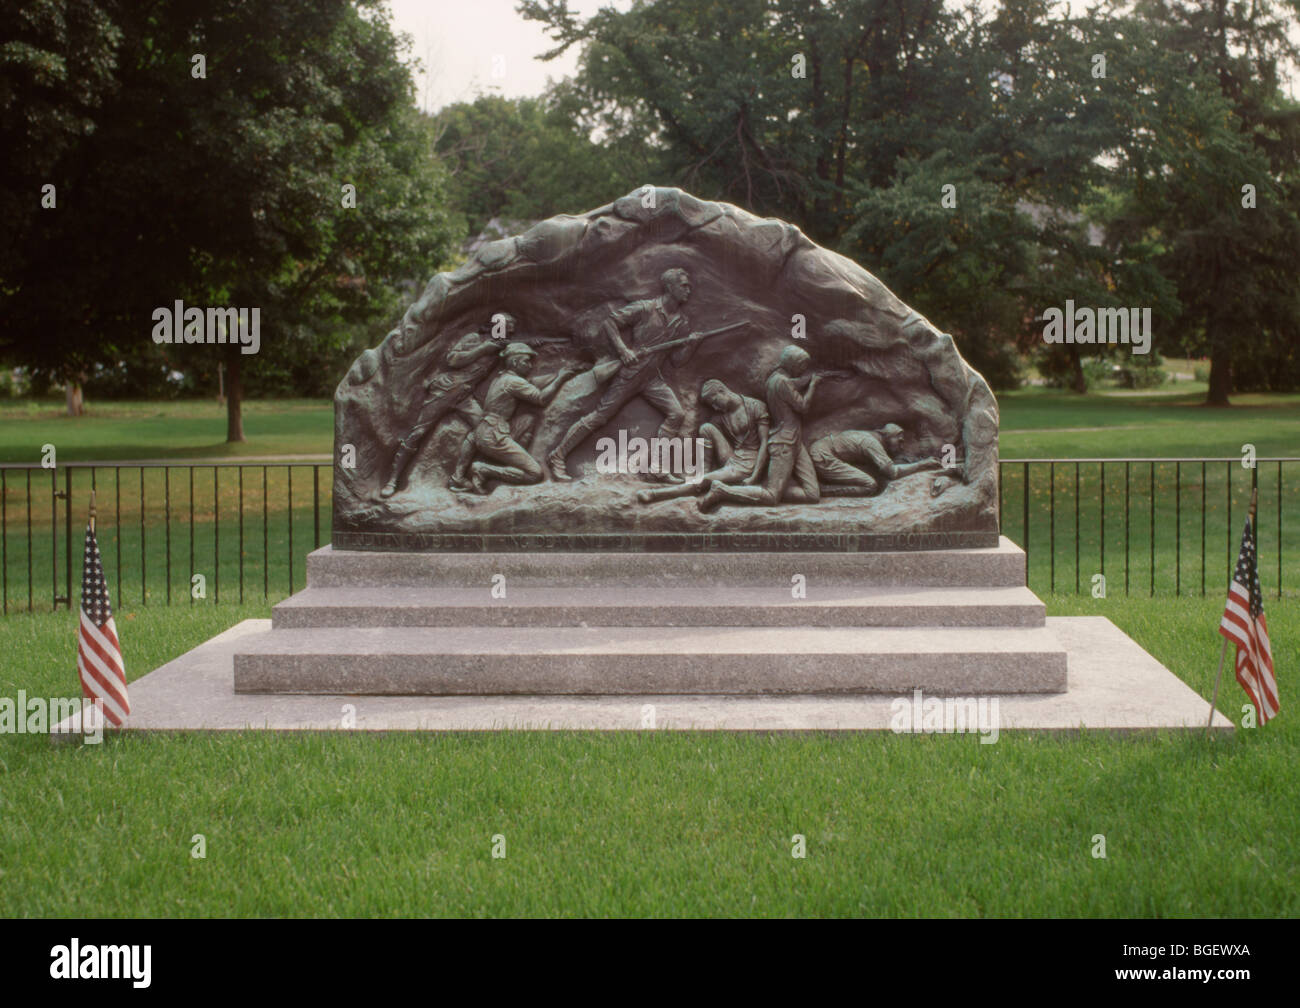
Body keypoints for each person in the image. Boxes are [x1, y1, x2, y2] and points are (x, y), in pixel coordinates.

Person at [547, 268, 704, 484]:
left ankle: (656, 468)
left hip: (652, 378)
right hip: (630, 373)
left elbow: (677, 361)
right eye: (684, 285)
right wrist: (623, 351)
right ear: (670, 287)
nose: (689, 289)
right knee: (600, 416)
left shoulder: (681, 322)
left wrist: (692, 346)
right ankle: (557, 455)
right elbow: (610, 322)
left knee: (676, 413)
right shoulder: (645, 308)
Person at [379, 314, 515, 498]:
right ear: (497, 325)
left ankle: (458, 478)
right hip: (445, 390)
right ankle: (392, 480)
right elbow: (452, 360)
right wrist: (483, 349)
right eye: (510, 325)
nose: (513, 330)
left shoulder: (501, 345)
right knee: (418, 432)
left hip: (465, 396)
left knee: (485, 431)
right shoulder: (474, 339)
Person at [698, 345, 822, 511]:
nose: (803, 370)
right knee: (771, 496)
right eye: (801, 366)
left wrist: (805, 380)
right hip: (784, 442)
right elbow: (804, 406)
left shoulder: (775, 378)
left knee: (812, 495)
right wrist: (813, 384)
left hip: (795, 439)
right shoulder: (782, 382)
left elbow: (790, 385)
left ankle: (760, 488)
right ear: (791, 364)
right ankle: (723, 491)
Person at [460, 343, 578, 494]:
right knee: (535, 473)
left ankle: (516, 459)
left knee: (528, 420)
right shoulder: (513, 382)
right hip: (493, 435)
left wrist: (556, 375)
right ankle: (484, 470)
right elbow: (541, 398)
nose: (529, 366)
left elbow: (531, 384)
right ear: (515, 362)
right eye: (526, 362)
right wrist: (560, 378)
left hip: (488, 428)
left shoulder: (503, 378)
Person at [636, 379, 769, 504]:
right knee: (706, 428)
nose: (715, 408)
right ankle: (703, 473)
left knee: (703, 481)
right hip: (733, 457)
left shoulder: (756, 406)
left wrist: (755, 477)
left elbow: (765, 443)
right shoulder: (723, 415)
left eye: (715, 402)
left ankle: (654, 494)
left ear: (722, 391)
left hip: (747, 465)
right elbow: (702, 434)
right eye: (712, 405)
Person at [809, 425, 943, 496]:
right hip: (823, 456)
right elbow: (892, 473)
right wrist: (922, 465)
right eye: (900, 441)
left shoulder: (872, 438)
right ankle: (824, 491)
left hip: (822, 451)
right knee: (869, 485)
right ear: (888, 436)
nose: (902, 446)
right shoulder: (872, 443)